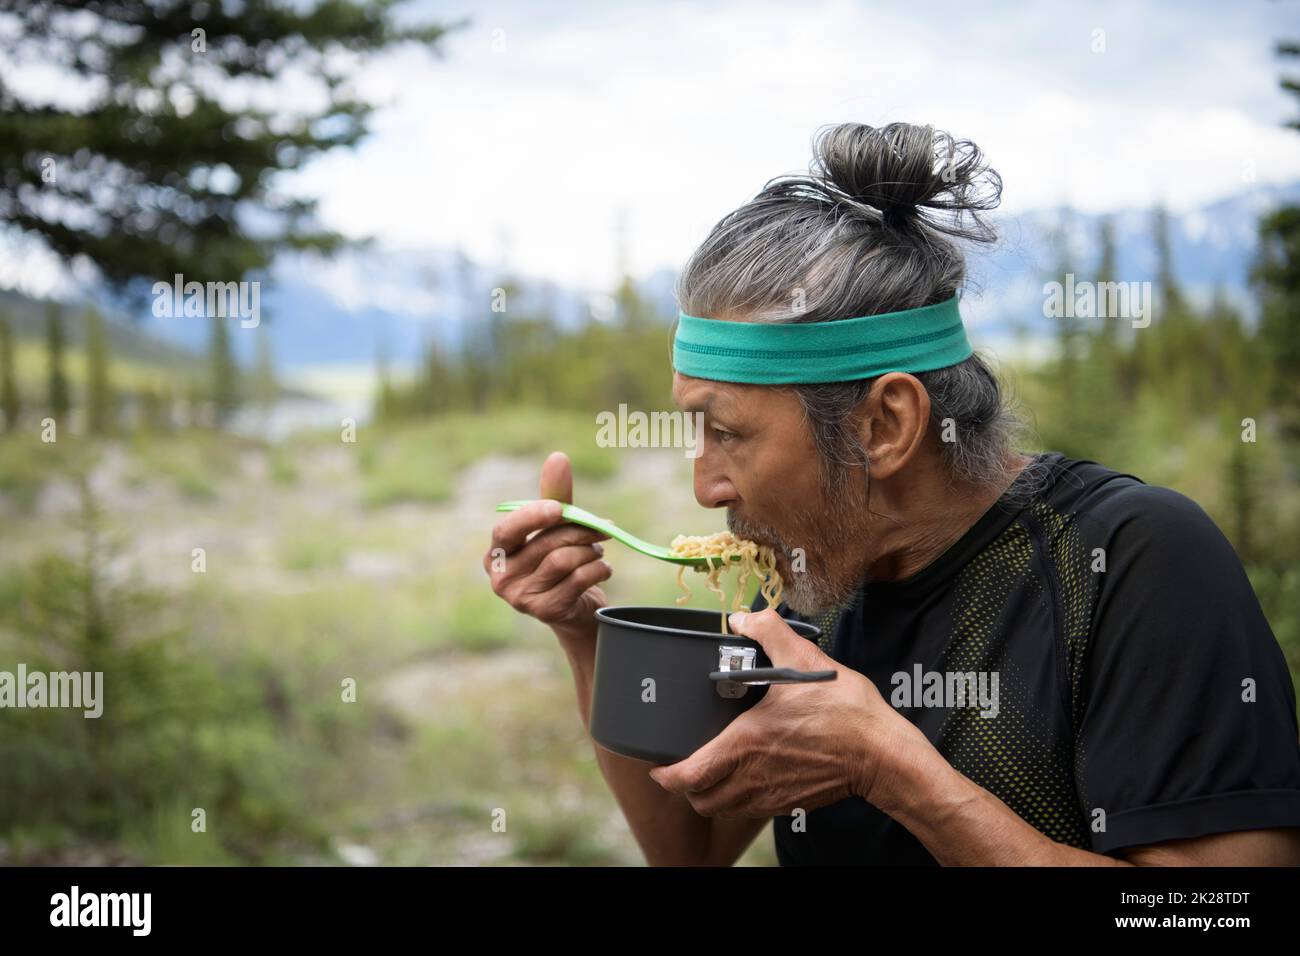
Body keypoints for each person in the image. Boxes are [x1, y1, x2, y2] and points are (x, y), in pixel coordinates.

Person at [485, 122, 1300, 866]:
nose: (704, 487)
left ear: (885, 423)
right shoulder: (815, 585)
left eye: (727, 432)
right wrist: (585, 632)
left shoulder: (1131, 561)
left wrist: (891, 768)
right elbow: (690, 846)